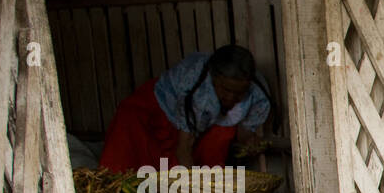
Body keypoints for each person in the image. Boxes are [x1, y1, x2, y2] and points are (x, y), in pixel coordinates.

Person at [99, 44, 273, 171]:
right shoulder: (195, 90)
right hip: (161, 108)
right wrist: (193, 191)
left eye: (239, 93)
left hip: (202, 124)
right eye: (226, 90)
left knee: (221, 137)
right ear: (214, 79)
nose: (231, 98)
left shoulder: (258, 97)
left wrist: (250, 142)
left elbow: (242, 133)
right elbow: (183, 148)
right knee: (129, 129)